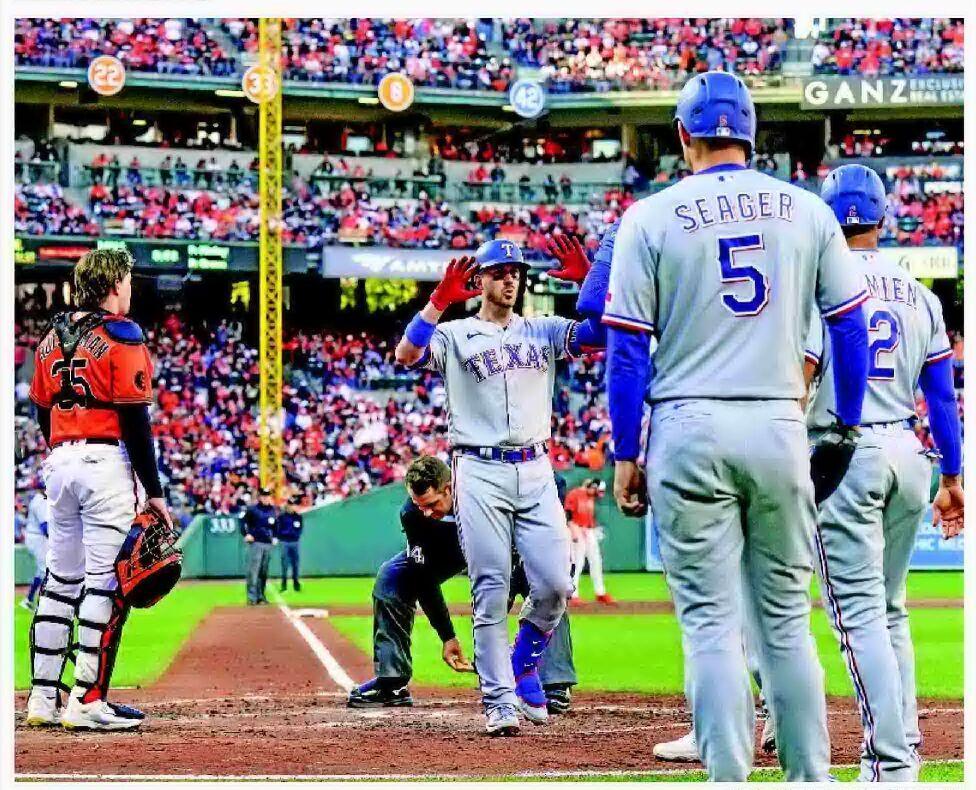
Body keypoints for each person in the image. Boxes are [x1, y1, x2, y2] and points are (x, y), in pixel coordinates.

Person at [603, 71, 869, 781]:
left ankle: (728, 778)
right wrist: (844, 425)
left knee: (711, 626)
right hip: (779, 422)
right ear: (752, 136)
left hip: (687, 423)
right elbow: (849, 324)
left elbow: (627, 349)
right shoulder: (807, 210)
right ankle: (811, 778)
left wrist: (625, 452)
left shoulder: (650, 217)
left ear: (683, 136)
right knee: (785, 623)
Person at [394, 236, 596, 736]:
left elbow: (604, 335)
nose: (510, 278)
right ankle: (499, 699)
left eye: (516, 271)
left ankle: (525, 660)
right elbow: (405, 354)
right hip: (478, 468)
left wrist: (591, 282)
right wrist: (438, 300)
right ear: (479, 280)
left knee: (555, 583)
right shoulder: (457, 333)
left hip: (535, 467)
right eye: (500, 271)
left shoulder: (543, 330)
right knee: (491, 588)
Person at [802, 164, 964, 781]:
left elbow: (806, 376)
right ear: (881, 216)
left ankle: (889, 763)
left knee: (858, 617)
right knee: (892, 610)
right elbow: (943, 399)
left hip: (846, 452)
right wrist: (952, 479)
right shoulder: (918, 292)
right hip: (907, 452)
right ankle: (909, 745)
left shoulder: (821, 284)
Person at [26, 248, 170, 731]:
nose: (130, 288)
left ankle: (43, 699)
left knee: (59, 581)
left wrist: (66, 450)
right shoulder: (121, 335)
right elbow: (135, 417)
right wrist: (154, 490)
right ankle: (87, 700)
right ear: (113, 284)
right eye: (127, 279)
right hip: (103, 459)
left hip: (59, 460)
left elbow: (42, 411)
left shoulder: (50, 339)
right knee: (105, 583)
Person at [347, 456, 577, 712]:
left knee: (548, 579)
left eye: (432, 504)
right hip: (447, 550)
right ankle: (392, 682)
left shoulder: (484, 482)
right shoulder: (414, 516)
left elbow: (556, 482)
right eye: (418, 504)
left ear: (449, 488)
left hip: (504, 544)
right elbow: (424, 578)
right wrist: (448, 637)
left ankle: (555, 683)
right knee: (393, 578)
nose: (426, 512)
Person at [566, 479, 614, 605]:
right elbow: (568, 514)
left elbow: (587, 515)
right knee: (577, 563)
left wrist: (593, 529)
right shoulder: (574, 494)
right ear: (592, 486)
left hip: (588, 530)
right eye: (597, 491)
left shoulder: (590, 497)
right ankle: (573, 594)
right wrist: (573, 530)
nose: (597, 495)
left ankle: (600, 592)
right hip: (577, 529)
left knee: (596, 561)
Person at [241, 487, 279, 605]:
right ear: (260, 497)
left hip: (267, 543)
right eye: (264, 496)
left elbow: (276, 526)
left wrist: (275, 537)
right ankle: (252, 597)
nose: (266, 498)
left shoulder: (273, 510)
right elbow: (242, 522)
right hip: (256, 542)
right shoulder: (252, 509)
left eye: (268, 496)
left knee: (264, 571)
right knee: (253, 571)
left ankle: (261, 596)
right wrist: (246, 534)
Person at [20, 485, 49, 611]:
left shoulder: (42, 499)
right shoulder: (40, 501)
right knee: (46, 569)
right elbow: (45, 528)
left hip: (37, 537)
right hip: (37, 537)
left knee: (43, 570)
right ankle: (42, 602)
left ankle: (29, 599)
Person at [277, 495, 304, 592]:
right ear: (287, 505)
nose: (293, 506)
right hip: (285, 542)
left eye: (294, 505)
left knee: (295, 564)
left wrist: (294, 535)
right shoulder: (282, 517)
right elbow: (278, 530)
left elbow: (300, 529)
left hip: (295, 542)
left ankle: (296, 584)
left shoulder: (298, 517)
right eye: (291, 504)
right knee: (285, 565)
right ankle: (284, 585)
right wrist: (285, 535)